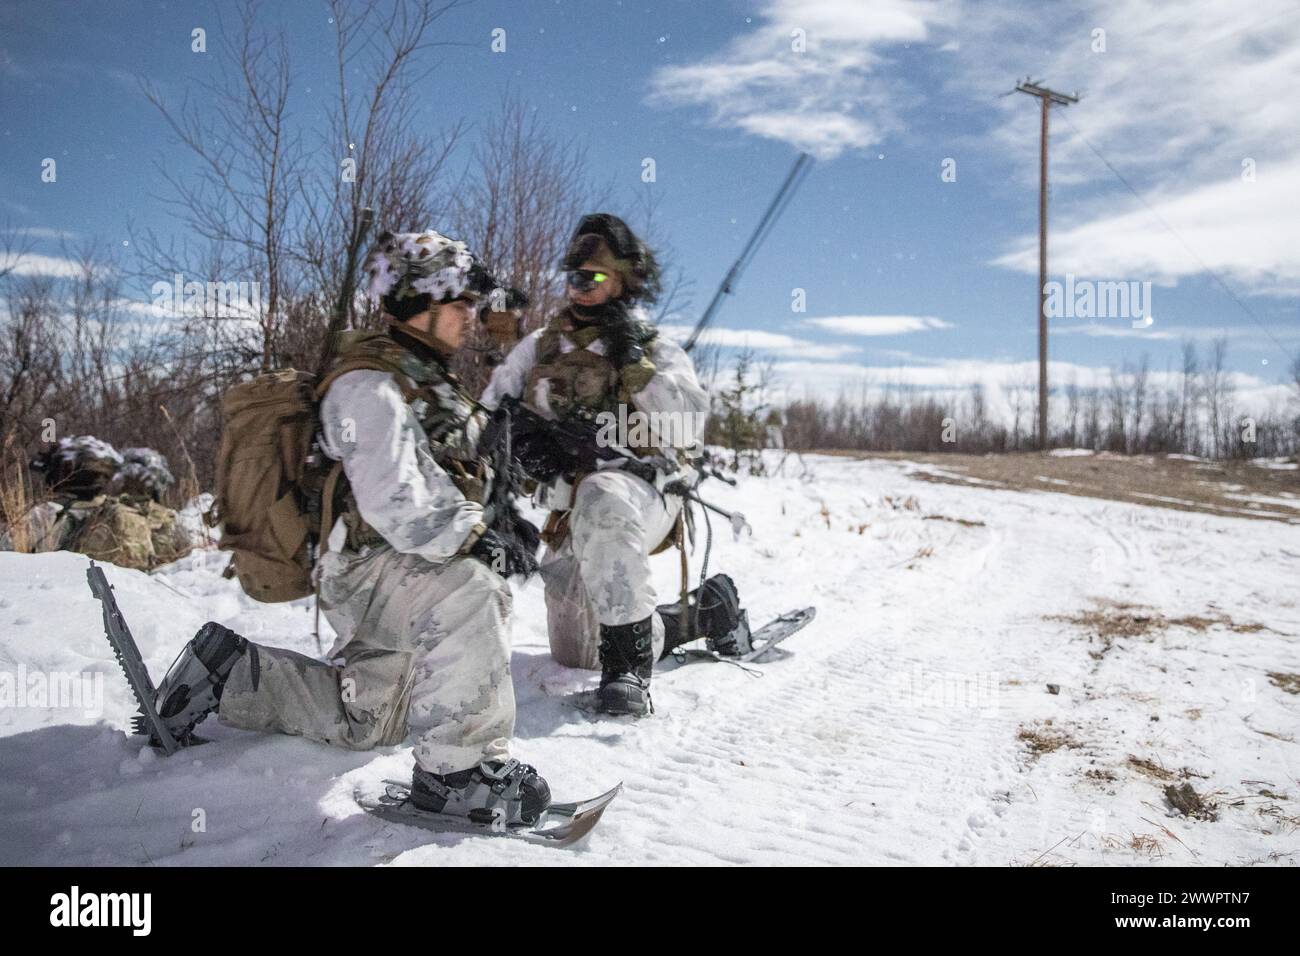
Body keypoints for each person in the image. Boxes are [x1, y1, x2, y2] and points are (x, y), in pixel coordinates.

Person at [148, 230, 551, 827]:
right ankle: (458, 776)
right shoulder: (368, 382)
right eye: (460, 303)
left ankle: (230, 674)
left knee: (369, 722)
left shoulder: (428, 378)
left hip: (397, 570)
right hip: (368, 570)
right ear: (425, 303)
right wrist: (475, 539)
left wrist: (500, 509)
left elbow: (442, 481)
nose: (471, 316)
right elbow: (395, 498)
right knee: (472, 590)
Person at [481, 213, 749, 717]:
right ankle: (704, 612)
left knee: (604, 496)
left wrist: (636, 367)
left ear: (624, 281)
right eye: (573, 277)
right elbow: (489, 414)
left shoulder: (652, 348)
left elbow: (688, 427)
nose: (579, 288)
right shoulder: (540, 347)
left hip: (644, 500)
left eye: (593, 277)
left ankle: (628, 669)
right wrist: (519, 446)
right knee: (577, 652)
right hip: (567, 508)